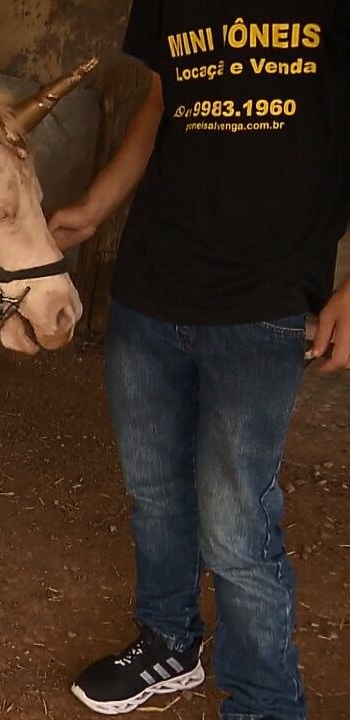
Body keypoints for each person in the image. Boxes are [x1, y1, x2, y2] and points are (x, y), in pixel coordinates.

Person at [48, 2, 349, 719]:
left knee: (236, 522)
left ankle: (265, 702)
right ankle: (168, 642)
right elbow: (160, 104)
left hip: (263, 300)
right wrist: (95, 208)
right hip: (152, 286)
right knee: (155, 494)